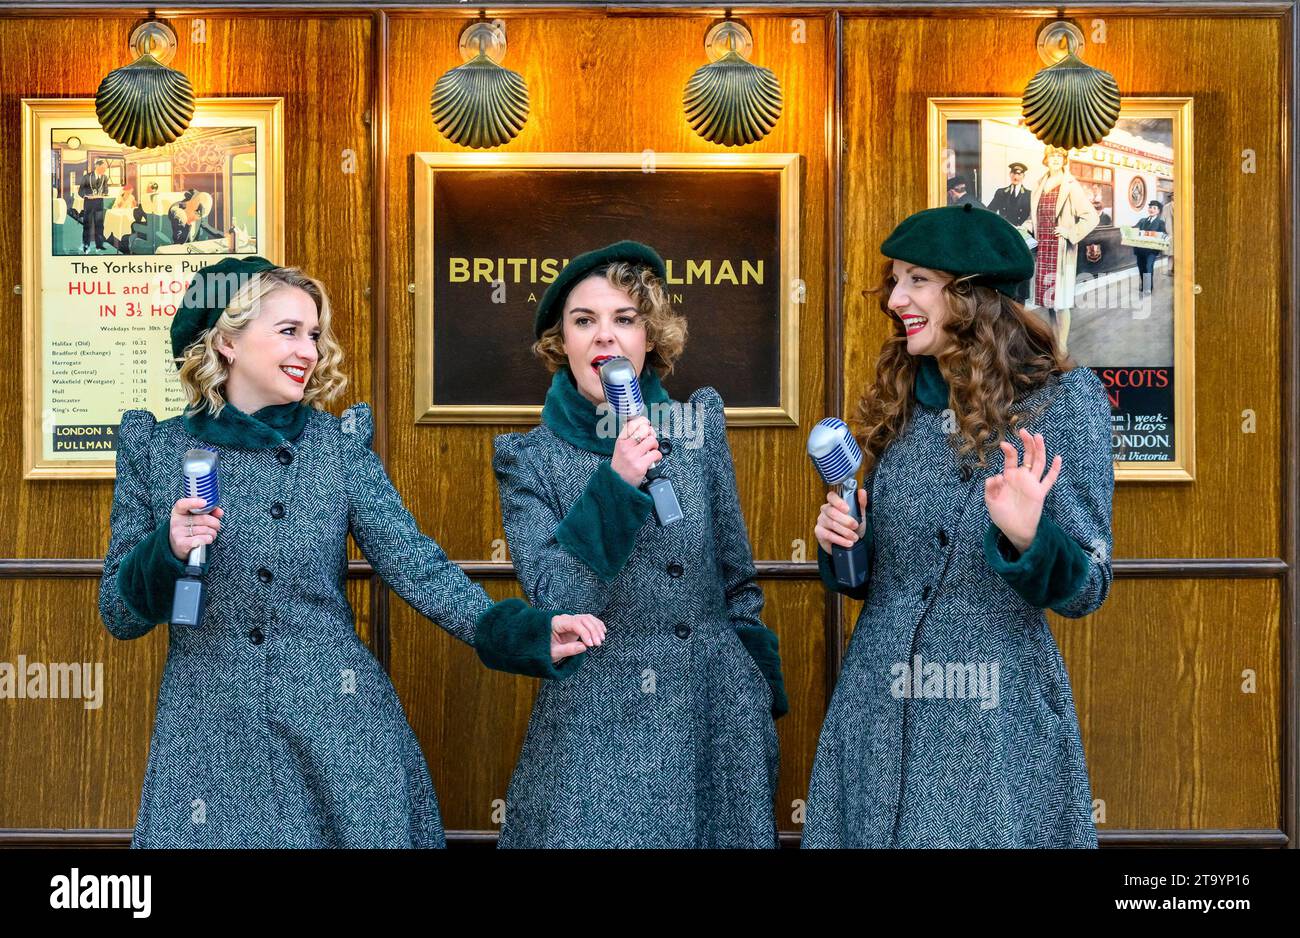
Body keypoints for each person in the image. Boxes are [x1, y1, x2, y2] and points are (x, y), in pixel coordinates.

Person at [99, 256, 604, 848]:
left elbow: (416, 565)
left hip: (336, 723)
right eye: (289, 332)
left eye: (314, 335)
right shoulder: (154, 451)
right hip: (209, 730)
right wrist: (166, 548)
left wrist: (523, 633)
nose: (310, 351)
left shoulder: (337, 448)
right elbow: (120, 612)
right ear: (227, 342)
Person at [802, 205, 1114, 848]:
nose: (895, 299)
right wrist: (847, 543)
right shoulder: (900, 402)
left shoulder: (1060, 400)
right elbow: (887, 581)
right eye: (893, 281)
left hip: (991, 726)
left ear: (970, 295)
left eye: (916, 279)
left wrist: (1031, 535)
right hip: (878, 707)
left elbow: (1089, 585)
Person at [492, 241, 786, 848]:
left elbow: (738, 578)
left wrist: (750, 693)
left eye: (624, 319)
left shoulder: (698, 428)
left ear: (649, 338)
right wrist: (619, 484)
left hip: (712, 713)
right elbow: (558, 595)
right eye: (584, 321)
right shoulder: (529, 460)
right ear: (562, 344)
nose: (605, 337)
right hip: (598, 718)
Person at [1019, 147, 1099, 354]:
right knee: (1049, 300)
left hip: (1060, 249)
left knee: (1061, 302)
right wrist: (1026, 226)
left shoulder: (1071, 185)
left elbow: (1091, 216)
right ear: (1046, 159)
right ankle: (1055, 345)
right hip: (1043, 248)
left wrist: (1069, 231)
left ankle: (1061, 350)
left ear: (1063, 160)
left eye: (1059, 156)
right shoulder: (1040, 184)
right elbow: (1035, 216)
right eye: (1051, 156)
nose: (1055, 159)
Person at [1133, 199, 1167, 296]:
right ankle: (1144, 285)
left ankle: (1148, 288)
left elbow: (1163, 235)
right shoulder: (1142, 221)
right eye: (1150, 207)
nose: (1151, 209)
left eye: (1154, 208)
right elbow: (1134, 229)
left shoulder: (1160, 223)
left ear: (1158, 211)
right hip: (1140, 249)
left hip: (1151, 251)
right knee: (1141, 267)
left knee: (1148, 267)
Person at [78, 158, 110, 254]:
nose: (104, 170)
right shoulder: (87, 177)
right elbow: (80, 191)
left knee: (99, 225)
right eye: (103, 168)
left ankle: (99, 245)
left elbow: (106, 190)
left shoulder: (105, 177)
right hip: (89, 204)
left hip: (99, 204)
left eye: (105, 168)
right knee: (87, 225)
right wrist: (87, 196)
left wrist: (104, 193)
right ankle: (86, 245)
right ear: (97, 166)